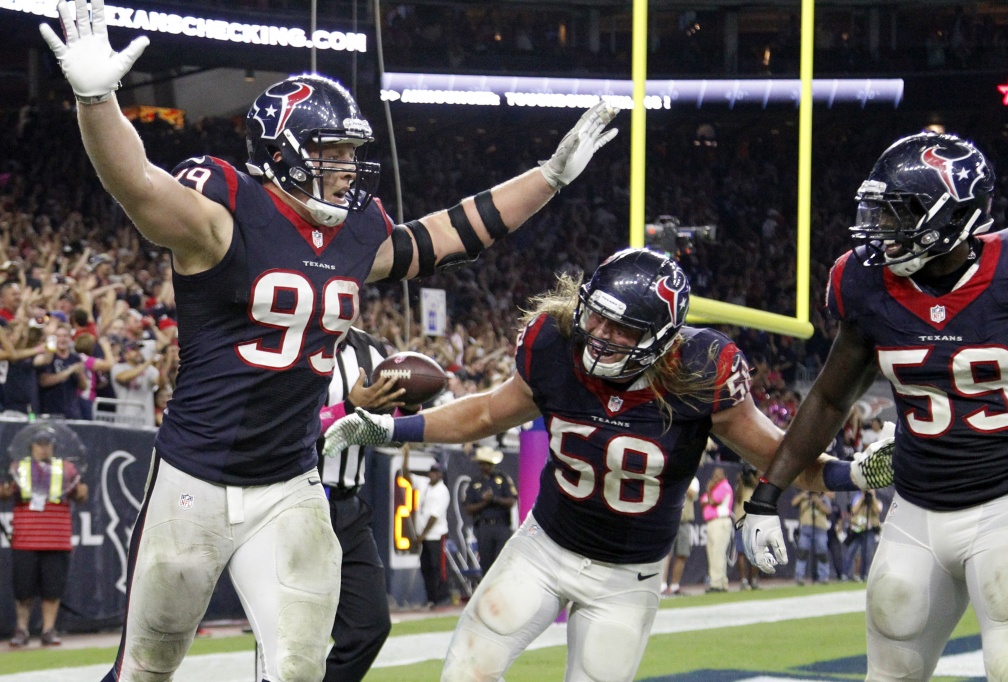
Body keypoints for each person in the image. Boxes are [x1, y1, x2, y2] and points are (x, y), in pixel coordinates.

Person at [41, 0, 617, 677]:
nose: (347, 168)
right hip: (193, 477)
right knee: (146, 669)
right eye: (331, 153)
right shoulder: (225, 209)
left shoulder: (355, 233)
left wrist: (547, 179)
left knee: (298, 669)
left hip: (291, 481)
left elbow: (449, 236)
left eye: (350, 153)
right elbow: (136, 185)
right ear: (282, 152)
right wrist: (96, 99)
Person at [325, 247, 893, 682]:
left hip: (628, 576)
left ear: (664, 338)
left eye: (622, 329)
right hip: (543, 549)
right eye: (597, 317)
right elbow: (486, 415)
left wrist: (852, 473)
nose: (599, 335)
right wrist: (388, 426)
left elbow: (780, 458)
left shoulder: (702, 370)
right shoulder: (554, 341)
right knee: (465, 670)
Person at [740, 131, 1008, 681]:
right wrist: (766, 495)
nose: (883, 231)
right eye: (880, 213)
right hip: (917, 503)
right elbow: (827, 397)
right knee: (891, 644)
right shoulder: (865, 283)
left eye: (901, 215)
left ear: (955, 215)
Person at [318, 326, 403, 682]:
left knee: (370, 625)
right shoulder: (292, 339)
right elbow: (281, 425)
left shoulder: (371, 348)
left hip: (350, 505)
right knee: (292, 634)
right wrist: (350, 407)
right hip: (296, 500)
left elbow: (392, 433)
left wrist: (408, 406)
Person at [0, 426, 89, 647]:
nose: (43, 448)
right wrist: (5, 492)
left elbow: (80, 495)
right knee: (23, 588)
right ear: (30, 447)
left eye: (47, 444)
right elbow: (3, 493)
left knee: (53, 587)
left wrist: (82, 493)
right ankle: (21, 629)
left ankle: (48, 630)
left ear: (53, 447)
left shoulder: (67, 469)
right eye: (39, 444)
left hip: (57, 537)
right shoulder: (17, 468)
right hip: (25, 536)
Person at [404, 453, 452, 609]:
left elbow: (434, 517)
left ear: (441, 475)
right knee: (426, 568)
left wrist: (422, 535)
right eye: (431, 471)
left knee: (436, 567)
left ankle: (440, 598)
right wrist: (406, 457)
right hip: (423, 536)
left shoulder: (442, 491)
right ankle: (431, 598)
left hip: (435, 535)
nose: (432, 474)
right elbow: (407, 477)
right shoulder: (425, 483)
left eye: (436, 472)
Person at [464, 445, 518, 577]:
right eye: (482, 463)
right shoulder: (475, 482)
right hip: (484, 526)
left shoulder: (502, 479)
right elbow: (468, 508)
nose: (485, 466)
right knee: (486, 564)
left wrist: (494, 499)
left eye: (488, 463)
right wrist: (484, 503)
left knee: (503, 562)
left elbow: (511, 501)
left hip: (502, 526)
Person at [662, 476, 698, 595]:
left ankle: (674, 586)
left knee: (682, 554)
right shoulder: (674, 475)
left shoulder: (693, 480)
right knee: (666, 555)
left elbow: (693, 494)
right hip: (670, 520)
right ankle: (662, 585)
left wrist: (683, 482)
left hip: (684, 521)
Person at [699, 466, 733, 593]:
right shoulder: (716, 487)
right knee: (713, 553)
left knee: (717, 553)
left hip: (720, 521)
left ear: (725, 476)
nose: (715, 477)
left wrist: (708, 490)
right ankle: (722, 582)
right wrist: (709, 494)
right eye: (714, 475)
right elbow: (702, 502)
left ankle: (716, 584)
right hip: (712, 522)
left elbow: (713, 501)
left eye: (719, 474)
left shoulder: (724, 486)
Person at [790, 490, 832, 585]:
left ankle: (823, 577)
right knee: (802, 553)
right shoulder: (804, 498)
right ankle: (799, 576)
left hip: (820, 528)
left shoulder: (824, 499)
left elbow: (828, 511)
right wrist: (804, 496)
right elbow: (793, 503)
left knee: (822, 554)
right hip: (806, 528)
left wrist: (817, 501)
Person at [842, 489, 883, 582]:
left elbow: (877, 511)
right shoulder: (857, 498)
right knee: (851, 551)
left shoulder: (877, 502)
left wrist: (872, 498)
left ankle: (865, 575)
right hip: (857, 530)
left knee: (868, 553)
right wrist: (862, 498)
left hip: (869, 530)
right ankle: (845, 574)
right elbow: (853, 511)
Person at [732, 467, 761, 590]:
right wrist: (740, 482)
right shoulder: (741, 487)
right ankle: (744, 581)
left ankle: (753, 580)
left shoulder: (758, 487)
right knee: (742, 553)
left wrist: (753, 479)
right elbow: (737, 498)